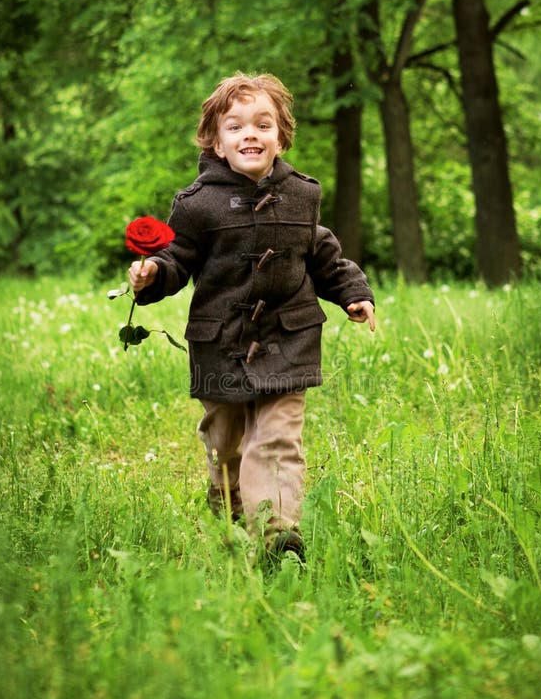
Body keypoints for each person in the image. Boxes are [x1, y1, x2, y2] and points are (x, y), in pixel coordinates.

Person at [129, 72, 375, 562]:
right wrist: (153, 272)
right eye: (236, 126)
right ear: (216, 142)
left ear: (280, 137)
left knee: (278, 440)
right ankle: (229, 509)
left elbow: (322, 253)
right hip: (222, 341)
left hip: (289, 339)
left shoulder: (303, 196)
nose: (250, 135)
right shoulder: (196, 205)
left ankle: (279, 537)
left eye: (263, 125)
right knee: (226, 444)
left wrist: (352, 291)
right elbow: (178, 260)